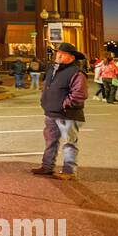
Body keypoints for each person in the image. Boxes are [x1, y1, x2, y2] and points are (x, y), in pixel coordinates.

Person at [32, 42, 87, 181]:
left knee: (69, 143)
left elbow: (79, 94)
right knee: (50, 141)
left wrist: (64, 105)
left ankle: (69, 171)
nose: (59, 55)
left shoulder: (77, 73)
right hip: (51, 113)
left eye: (63, 54)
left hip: (67, 114)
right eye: (59, 53)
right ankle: (47, 167)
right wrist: (44, 102)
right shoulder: (52, 69)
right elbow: (46, 88)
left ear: (72, 58)